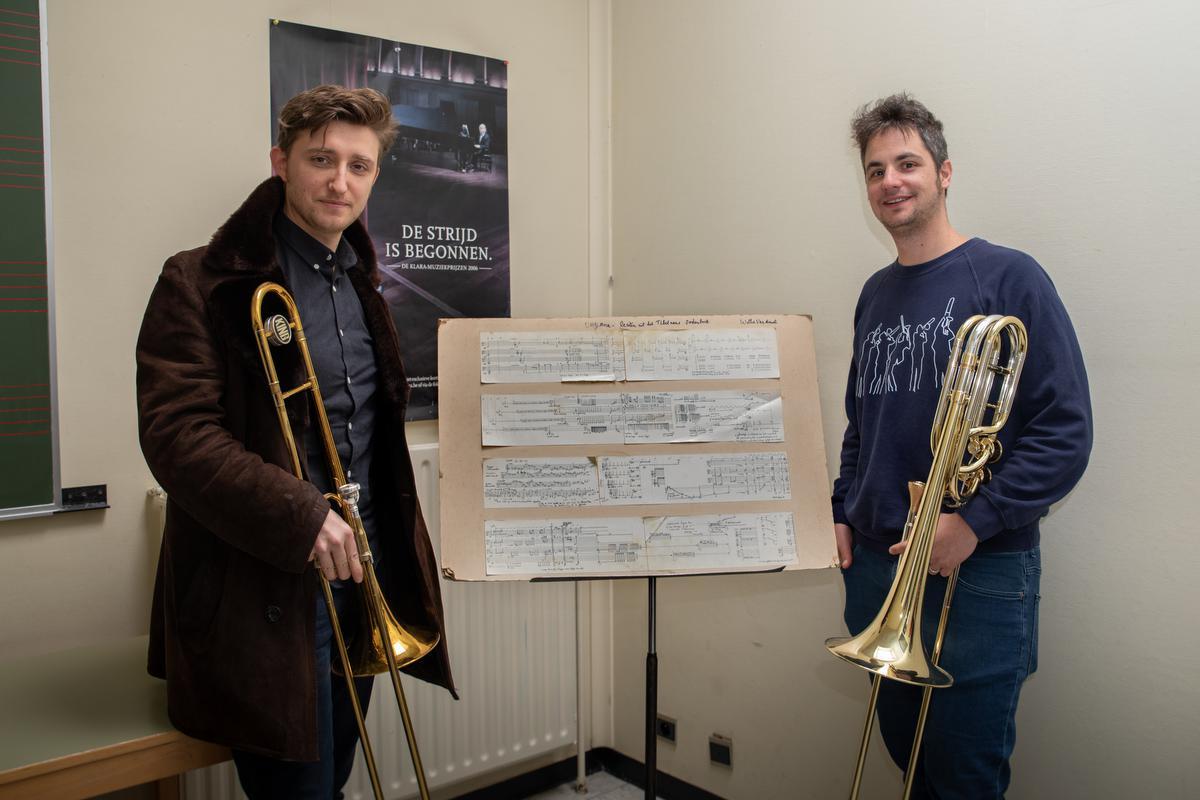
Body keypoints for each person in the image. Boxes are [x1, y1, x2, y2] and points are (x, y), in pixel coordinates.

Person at [136, 84, 455, 800]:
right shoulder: (200, 280)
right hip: (267, 589)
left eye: (360, 166)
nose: (340, 181)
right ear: (281, 161)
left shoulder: (364, 283)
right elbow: (176, 436)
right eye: (321, 159)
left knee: (335, 774)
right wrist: (301, 515)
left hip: (360, 576)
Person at [830, 93, 1092, 799]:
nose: (892, 180)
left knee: (962, 780)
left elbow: (1066, 431)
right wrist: (841, 509)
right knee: (905, 762)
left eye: (908, 162)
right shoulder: (875, 293)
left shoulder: (1010, 277)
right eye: (877, 168)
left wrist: (970, 524)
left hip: (974, 574)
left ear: (944, 173)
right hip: (877, 572)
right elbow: (863, 422)